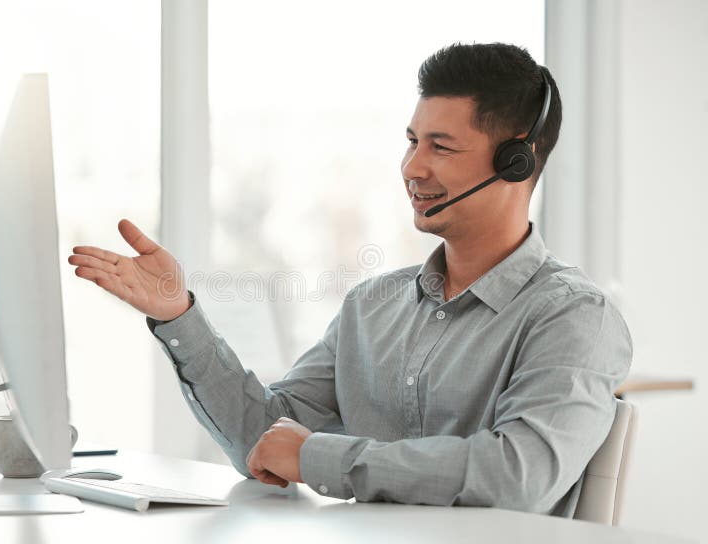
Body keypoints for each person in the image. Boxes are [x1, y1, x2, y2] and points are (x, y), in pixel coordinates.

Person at [68, 43, 632, 517]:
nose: (412, 167)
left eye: (441, 146)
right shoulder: (373, 305)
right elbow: (262, 441)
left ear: (516, 163)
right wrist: (178, 316)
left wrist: (317, 457)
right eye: (413, 140)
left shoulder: (573, 317)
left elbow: (518, 475)